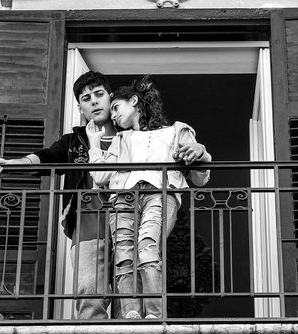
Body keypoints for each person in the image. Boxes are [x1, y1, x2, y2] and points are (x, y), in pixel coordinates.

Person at [0, 71, 116, 320]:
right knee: (88, 288)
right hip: (88, 221)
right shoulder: (75, 141)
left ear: (111, 98)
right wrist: (13, 162)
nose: (94, 102)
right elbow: (45, 157)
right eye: (87, 98)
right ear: (80, 108)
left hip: (128, 217)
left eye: (99, 95)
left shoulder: (132, 134)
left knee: (131, 287)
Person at [87, 76, 211, 320]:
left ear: (134, 100)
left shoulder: (176, 130)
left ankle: (154, 315)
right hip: (123, 198)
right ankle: (131, 315)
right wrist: (94, 144)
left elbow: (199, 178)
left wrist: (203, 153)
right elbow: (101, 176)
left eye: (116, 107)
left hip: (159, 194)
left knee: (146, 248)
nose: (112, 116)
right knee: (124, 256)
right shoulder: (121, 140)